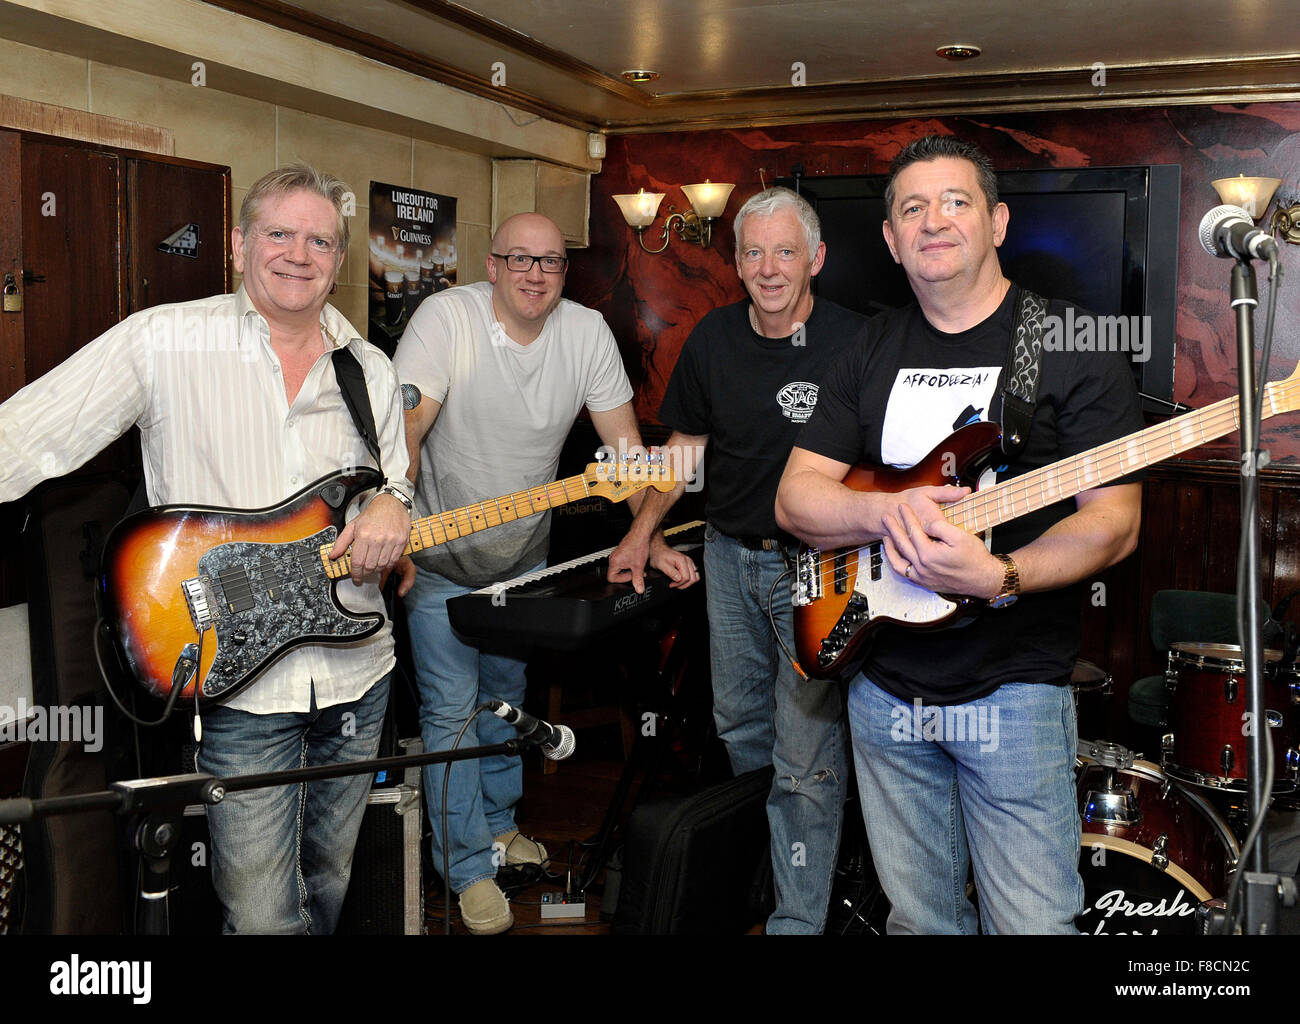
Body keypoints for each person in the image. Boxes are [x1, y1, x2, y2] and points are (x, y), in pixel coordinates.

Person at [0, 164, 413, 933]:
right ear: (237, 244)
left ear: (339, 257)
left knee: (328, 887)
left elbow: (393, 486)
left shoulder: (371, 370)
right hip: (238, 683)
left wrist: (396, 501)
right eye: (279, 233)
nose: (299, 253)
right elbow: (29, 433)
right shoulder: (166, 340)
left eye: (320, 239)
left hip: (360, 673)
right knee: (260, 916)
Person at [774, 135, 1144, 934]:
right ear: (889, 239)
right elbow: (796, 497)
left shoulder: (1070, 342)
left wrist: (998, 575)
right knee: (919, 920)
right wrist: (884, 511)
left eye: (955, 202)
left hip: (1012, 687)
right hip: (882, 680)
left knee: (1034, 923)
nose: (932, 221)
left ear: (998, 221)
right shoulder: (868, 345)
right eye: (912, 208)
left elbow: (1112, 525)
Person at [393, 212, 695, 935]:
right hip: (437, 562)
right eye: (519, 259)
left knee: (506, 700)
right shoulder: (446, 319)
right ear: (492, 266)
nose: (534, 274)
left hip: (521, 566)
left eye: (551, 262)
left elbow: (625, 453)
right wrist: (392, 522)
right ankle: (463, 868)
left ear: (566, 272)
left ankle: (496, 830)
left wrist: (646, 535)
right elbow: (401, 433)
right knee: (449, 716)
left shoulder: (585, 332)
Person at [607, 187, 866, 933]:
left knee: (805, 755)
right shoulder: (713, 338)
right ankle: (767, 884)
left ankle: (797, 923)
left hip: (818, 570)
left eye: (786, 251)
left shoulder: (858, 342)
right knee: (741, 734)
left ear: (815, 259)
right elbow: (683, 452)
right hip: (728, 561)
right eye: (753, 252)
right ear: (736, 262)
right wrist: (640, 534)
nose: (769, 267)